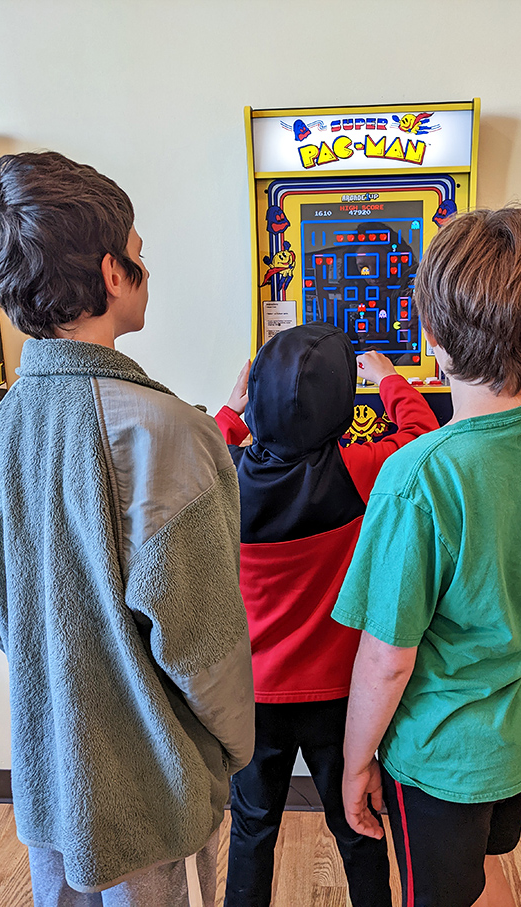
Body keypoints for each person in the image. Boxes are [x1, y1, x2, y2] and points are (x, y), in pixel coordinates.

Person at [0, 151, 254, 907]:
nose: (146, 268)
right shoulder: (168, 432)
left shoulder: (6, 426)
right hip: (153, 784)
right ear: (112, 273)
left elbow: (10, 617)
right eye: (140, 255)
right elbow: (204, 648)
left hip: (50, 775)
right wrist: (236, 745)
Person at [333, 206, 521, 907]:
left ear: (433, 339)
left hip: (439, 758)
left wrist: (353, 760)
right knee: (482, 865)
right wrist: (514, 678)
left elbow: (387, 657)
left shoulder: (416, 475)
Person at [214, 322, 439, 907]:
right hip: (339, 697)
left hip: (254, 698)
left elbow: (207, 446)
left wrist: (233, 408)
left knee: (252, 829)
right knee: (356, 823)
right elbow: (423, 433)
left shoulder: (223, 479)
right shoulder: (359, 470)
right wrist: (389, 380)